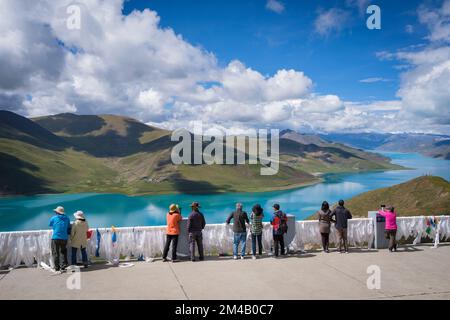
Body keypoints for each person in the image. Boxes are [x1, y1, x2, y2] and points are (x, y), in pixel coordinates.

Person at [49, 206, 71, 271]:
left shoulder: (53, 218)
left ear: (56, 212)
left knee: (55, 253)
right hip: (64, 237)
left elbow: (51, 225)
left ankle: (57, 267)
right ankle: (63, 266)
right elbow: (68, 226)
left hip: (55, 237)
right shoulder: (67, 218)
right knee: (63, 252)